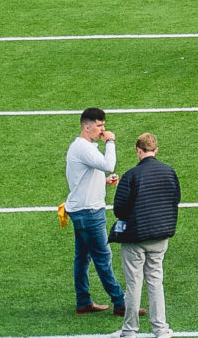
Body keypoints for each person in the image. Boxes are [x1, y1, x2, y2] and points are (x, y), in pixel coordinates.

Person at [109, 130, 179, 338]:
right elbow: (175, 198)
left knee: (134, 284)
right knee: (155, 281)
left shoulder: (131, 175)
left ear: (138, 151)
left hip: (135, 237)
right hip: (160, 235)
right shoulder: (169, 171)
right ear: (156, 150)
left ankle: (130, 330)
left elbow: (119, 209)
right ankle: (161, 329)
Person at [65, 107, 126, 319]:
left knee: (82, 258)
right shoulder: (85, 148)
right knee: (103, 258)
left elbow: (85, 175)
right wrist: (111, 142)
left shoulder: (81, 147)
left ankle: (83, 302)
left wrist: (104, 180)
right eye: (99, 126)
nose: (103, 130)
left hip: (80, 209)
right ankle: (121, 303)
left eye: (104, 126)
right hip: (90, 212)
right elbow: (108, 164)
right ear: (87, 126)